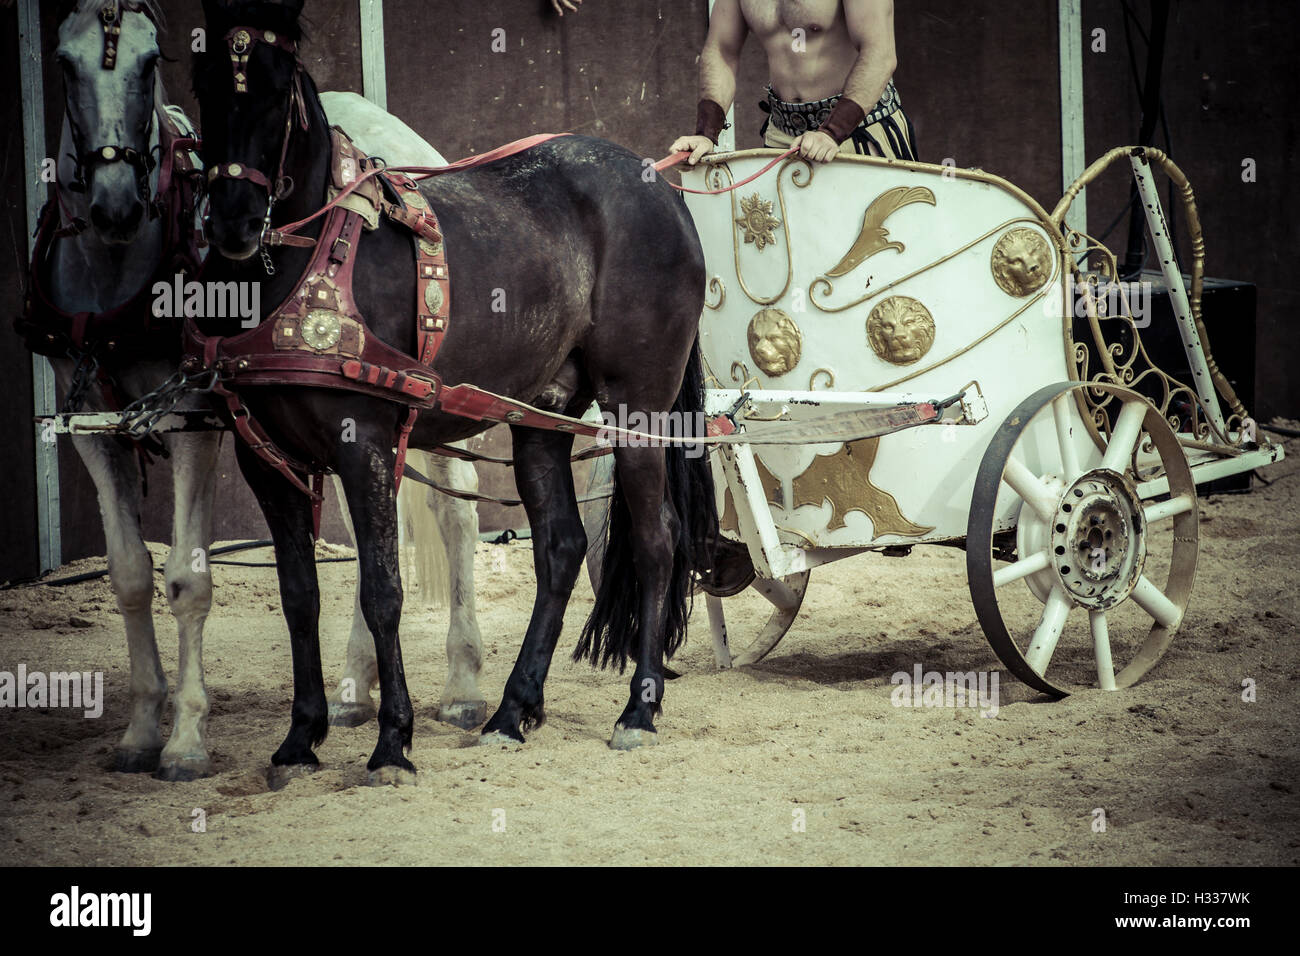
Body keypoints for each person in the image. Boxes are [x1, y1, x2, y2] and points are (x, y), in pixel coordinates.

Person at [670, 0, 917, 165]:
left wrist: (831, 133)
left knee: (873, 240)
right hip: (782, 135)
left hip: (860, 132)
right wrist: (706, 133)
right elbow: (721, 51)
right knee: (782, 242)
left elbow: (880, 53)